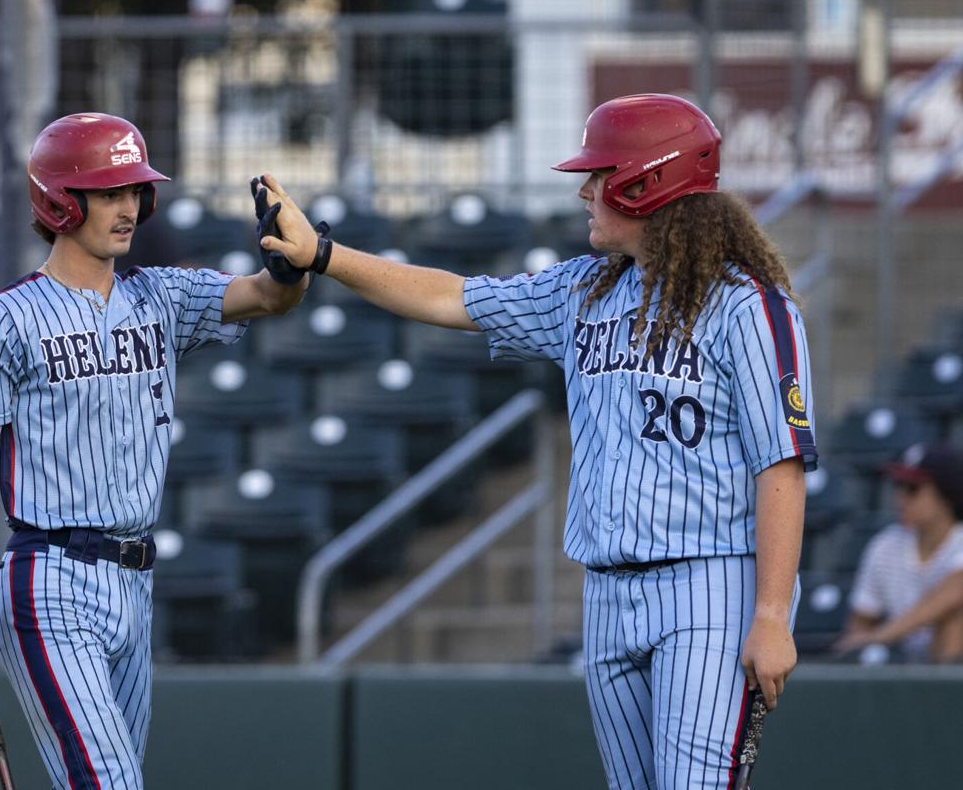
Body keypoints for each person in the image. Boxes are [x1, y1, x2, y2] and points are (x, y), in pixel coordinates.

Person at [254, 93, 816, 789]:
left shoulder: (749, 305)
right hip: (609, 592)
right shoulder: (584, 290)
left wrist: (770, 613)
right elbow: (450, 297)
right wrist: (324, 256)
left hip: (709, 588)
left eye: (599, 174)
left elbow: (782, 466)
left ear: (646, 183)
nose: (584, 189)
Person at [0, 112, 309, 789]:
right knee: (108, 779)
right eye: (108, 192)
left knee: (112, 777)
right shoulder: (2, 319)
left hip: (135, 577)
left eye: (134, 190)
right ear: (59, 201)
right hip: (50, 574)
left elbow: (267, 298)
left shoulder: (159, 294)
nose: (128, 206)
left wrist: (292, 266)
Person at [833, 444, 963, 662]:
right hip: (900, 662)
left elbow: (954, 592)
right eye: (898, 485)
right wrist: (869, 641)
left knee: (954, 619)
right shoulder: (885, 545)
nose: (900, 496)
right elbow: (858, 627)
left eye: (912, 488)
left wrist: (879, 637)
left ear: (946, 496)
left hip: (952, 669)